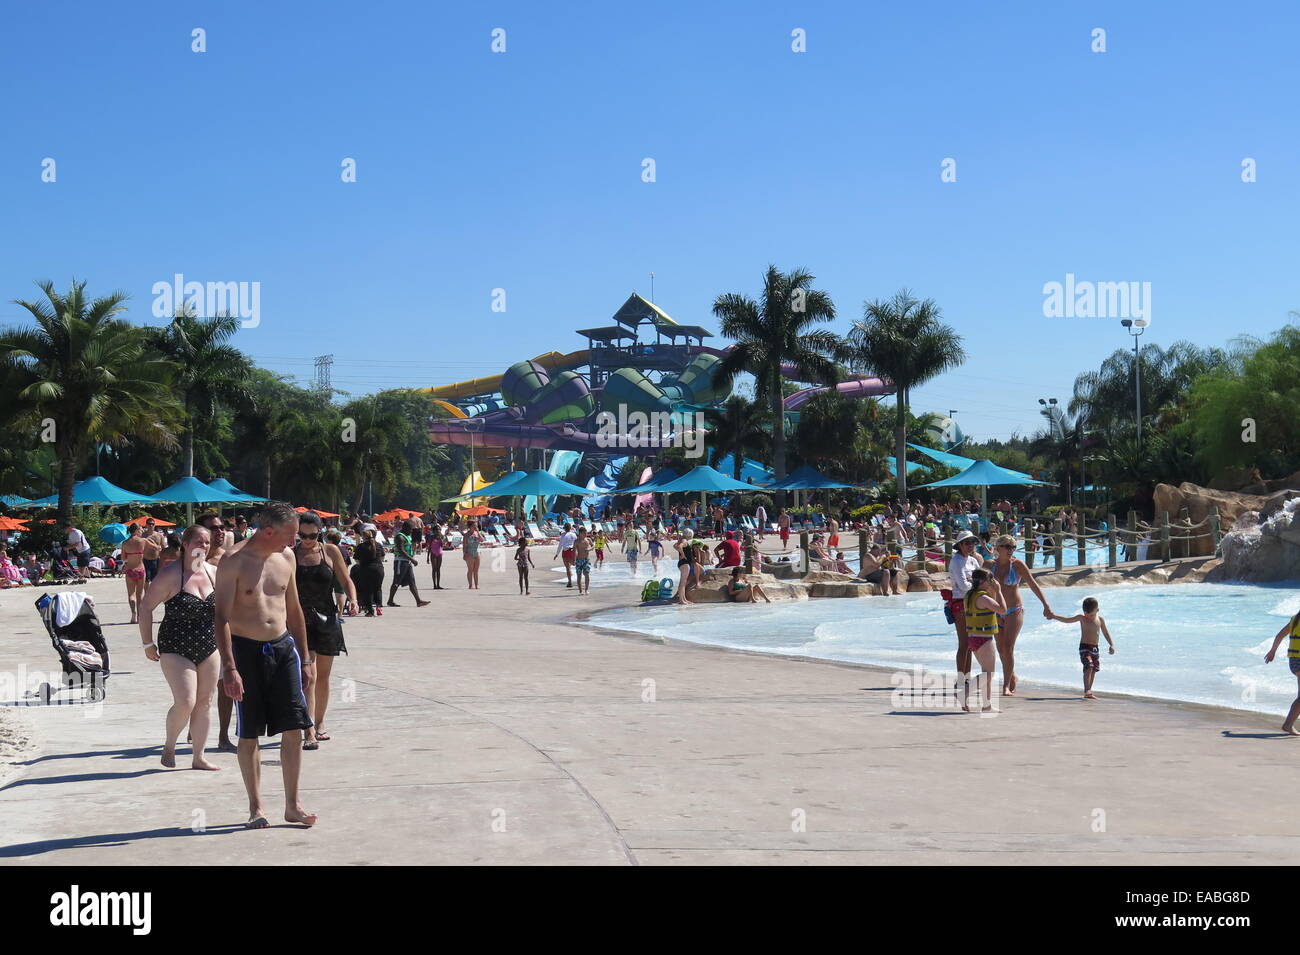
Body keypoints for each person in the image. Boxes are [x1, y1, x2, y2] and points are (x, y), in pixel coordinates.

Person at [214, 501, 318, 829]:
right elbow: (221, 618)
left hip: (283, 647)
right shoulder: (234, 561)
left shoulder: (286, 557)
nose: (295, 541)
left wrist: (305, 657)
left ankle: (292, 804)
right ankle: (256, 807)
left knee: (294, 728)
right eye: (290, 535)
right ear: (269, 531)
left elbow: (295, 607)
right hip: (246, 653)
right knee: (249, 732)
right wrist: (229, 667)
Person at [138, 525, 221, 770]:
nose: (203, 546)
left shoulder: (215, 573)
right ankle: (170, 745)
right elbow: (146, 607)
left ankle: (199, 756)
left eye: (206, 543)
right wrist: (147, 642)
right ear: (185, 544)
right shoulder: (171, 574)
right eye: (198, 541)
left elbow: (227, 613)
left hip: (209, 645)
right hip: (175, 646)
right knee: (186, 701)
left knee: (205, 702)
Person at [294, 513, 357, 749]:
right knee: (307, 677)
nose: (307, 539)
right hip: (300, 621)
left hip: (327, 619)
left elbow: (346, 579)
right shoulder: (291, 554)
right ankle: (308, 728)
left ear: (320, 531)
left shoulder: (330, 551)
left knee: (323, 677)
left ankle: (320, 722)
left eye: (312, 535)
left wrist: (353, 599)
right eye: (302, 535)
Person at [987, 534, 1053, 695]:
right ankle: (1012, 675)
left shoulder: (1017, 565)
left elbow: (1033, 584)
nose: (1011, 550)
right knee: (1001, 649)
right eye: (1007, 547)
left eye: (1013, 547)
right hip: (996, 610)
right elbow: (979, 587)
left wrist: (1046, 605)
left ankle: (1006, 685)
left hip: (1014, 610)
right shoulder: (989, 565)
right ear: (998, 548)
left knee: (1008, 648)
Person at [1050, 597, 1116, 700]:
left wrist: (1112, 644)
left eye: (1091, 614)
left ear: (1097, 610)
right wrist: (1054, 616)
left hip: (1095, 648)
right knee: (1088, 666)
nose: (1088, 616)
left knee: (1094, 668)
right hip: (1084, 647)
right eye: (1086, 614)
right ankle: (1086, 690)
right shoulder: (1082, 618)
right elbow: (1067, 620)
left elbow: (1106, 633)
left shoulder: (1100, 620)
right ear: (1083, 611)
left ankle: (1089, 690)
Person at [963, 569, 1007, 713]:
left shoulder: (970, 595)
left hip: (973, 637)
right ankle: (963, 694)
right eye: (990, 580)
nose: (992, 583)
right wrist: (999, 591)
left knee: (986, 672)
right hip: (984, 639)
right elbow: (1003, 610)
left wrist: (993, 590)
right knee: (989, 674)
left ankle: (987, 705)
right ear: (982, 582)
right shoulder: (982, 598)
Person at [948, 530, 982, 692]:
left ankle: (967, 677)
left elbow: (980, 580)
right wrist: (974, 584)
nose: (970, 546)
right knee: (964, 643)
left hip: (973, 602)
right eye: (967, 543)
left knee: (970, 644)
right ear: (960, 545)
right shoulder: (956, 561)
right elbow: (963, 586)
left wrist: (974, 584)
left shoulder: (973, 561)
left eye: (972, 543)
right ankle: (961, 678)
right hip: (960, 604)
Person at [1263, 609, 1300, 735]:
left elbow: (1280, 635)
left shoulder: (1295, 619)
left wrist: (1272, 651)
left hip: (1294, 661)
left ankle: (1288, 725)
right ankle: (1288, 725)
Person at [388, 520, 430, 606]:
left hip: (407, 562)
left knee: (412, 582)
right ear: (405, 528)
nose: (411, 531)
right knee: (396, 581)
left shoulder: (407, 536)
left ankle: (418, 601)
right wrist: (412, 559)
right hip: (400, 561)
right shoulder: (400, 537)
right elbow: (401, 551)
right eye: (410, 529)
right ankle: (390, 600)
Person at [351, 528, 385, 616]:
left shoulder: (361, 546)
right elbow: (382, 558)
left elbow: (356, 559)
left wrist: (362, 564)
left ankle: (370, 611)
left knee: (367, 590)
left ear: (363, 537)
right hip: (378, 569)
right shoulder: (378, 545)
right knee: (378, 588)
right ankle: (379, 607)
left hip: (366, 569)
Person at [119, 524, 148, 624]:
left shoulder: (125, 543)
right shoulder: (143, 541)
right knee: (140, 594)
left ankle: (133, 615)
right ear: (135, 530)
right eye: (140, 529)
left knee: (131, 594)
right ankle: (140, 616)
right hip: (141, 569)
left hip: (130, 570)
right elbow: (155, 548)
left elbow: (123, 558)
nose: (141, 531)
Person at [674, 528, 697, 606]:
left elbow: (675, 546)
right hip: (685, 563)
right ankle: (682, 600)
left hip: (682, 563)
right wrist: (683, 556)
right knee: (683, 582)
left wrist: (681, 554)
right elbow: (679, 547)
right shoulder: (684, 541)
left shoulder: (682, 540)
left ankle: (684, 599)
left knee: (683, 582)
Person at [461, 520, 482, 590]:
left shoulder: (477, 533)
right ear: (470, 526)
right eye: (474, 525)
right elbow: (464, 546)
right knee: (470, 570)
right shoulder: (466, 535)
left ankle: (477, 584)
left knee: (476, 570)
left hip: (477, 552)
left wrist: (478, 532)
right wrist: (464, 554)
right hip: (469, 553)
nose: (476, 526)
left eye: (476, 525)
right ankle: (470, 584)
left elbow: (482, 540)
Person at [574, 527, 592, 595]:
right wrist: (574, 559)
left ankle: (586, 590)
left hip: (586, 560)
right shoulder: (576, 541)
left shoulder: (588, 539)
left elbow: (593, 546)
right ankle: (580, 591)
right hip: (579, 560)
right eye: (584, 533)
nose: (586, 534)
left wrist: (589, 549)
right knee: (579, 575)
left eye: (586, 533)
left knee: (587, 574)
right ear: (580, 533)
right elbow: (574, 551)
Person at [427, 525, 444, 589]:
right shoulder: (432, 537)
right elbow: (429, 547)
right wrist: (428, 557)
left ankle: (438, 584)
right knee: (434, 569)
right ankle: (434, 584)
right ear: (434, 531)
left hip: (439, 554)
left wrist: (440, 539)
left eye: (439, 529)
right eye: (437, 529)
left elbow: (442, 545)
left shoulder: (441, 536)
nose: (438, 531)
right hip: (433, 554)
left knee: (438, 569)